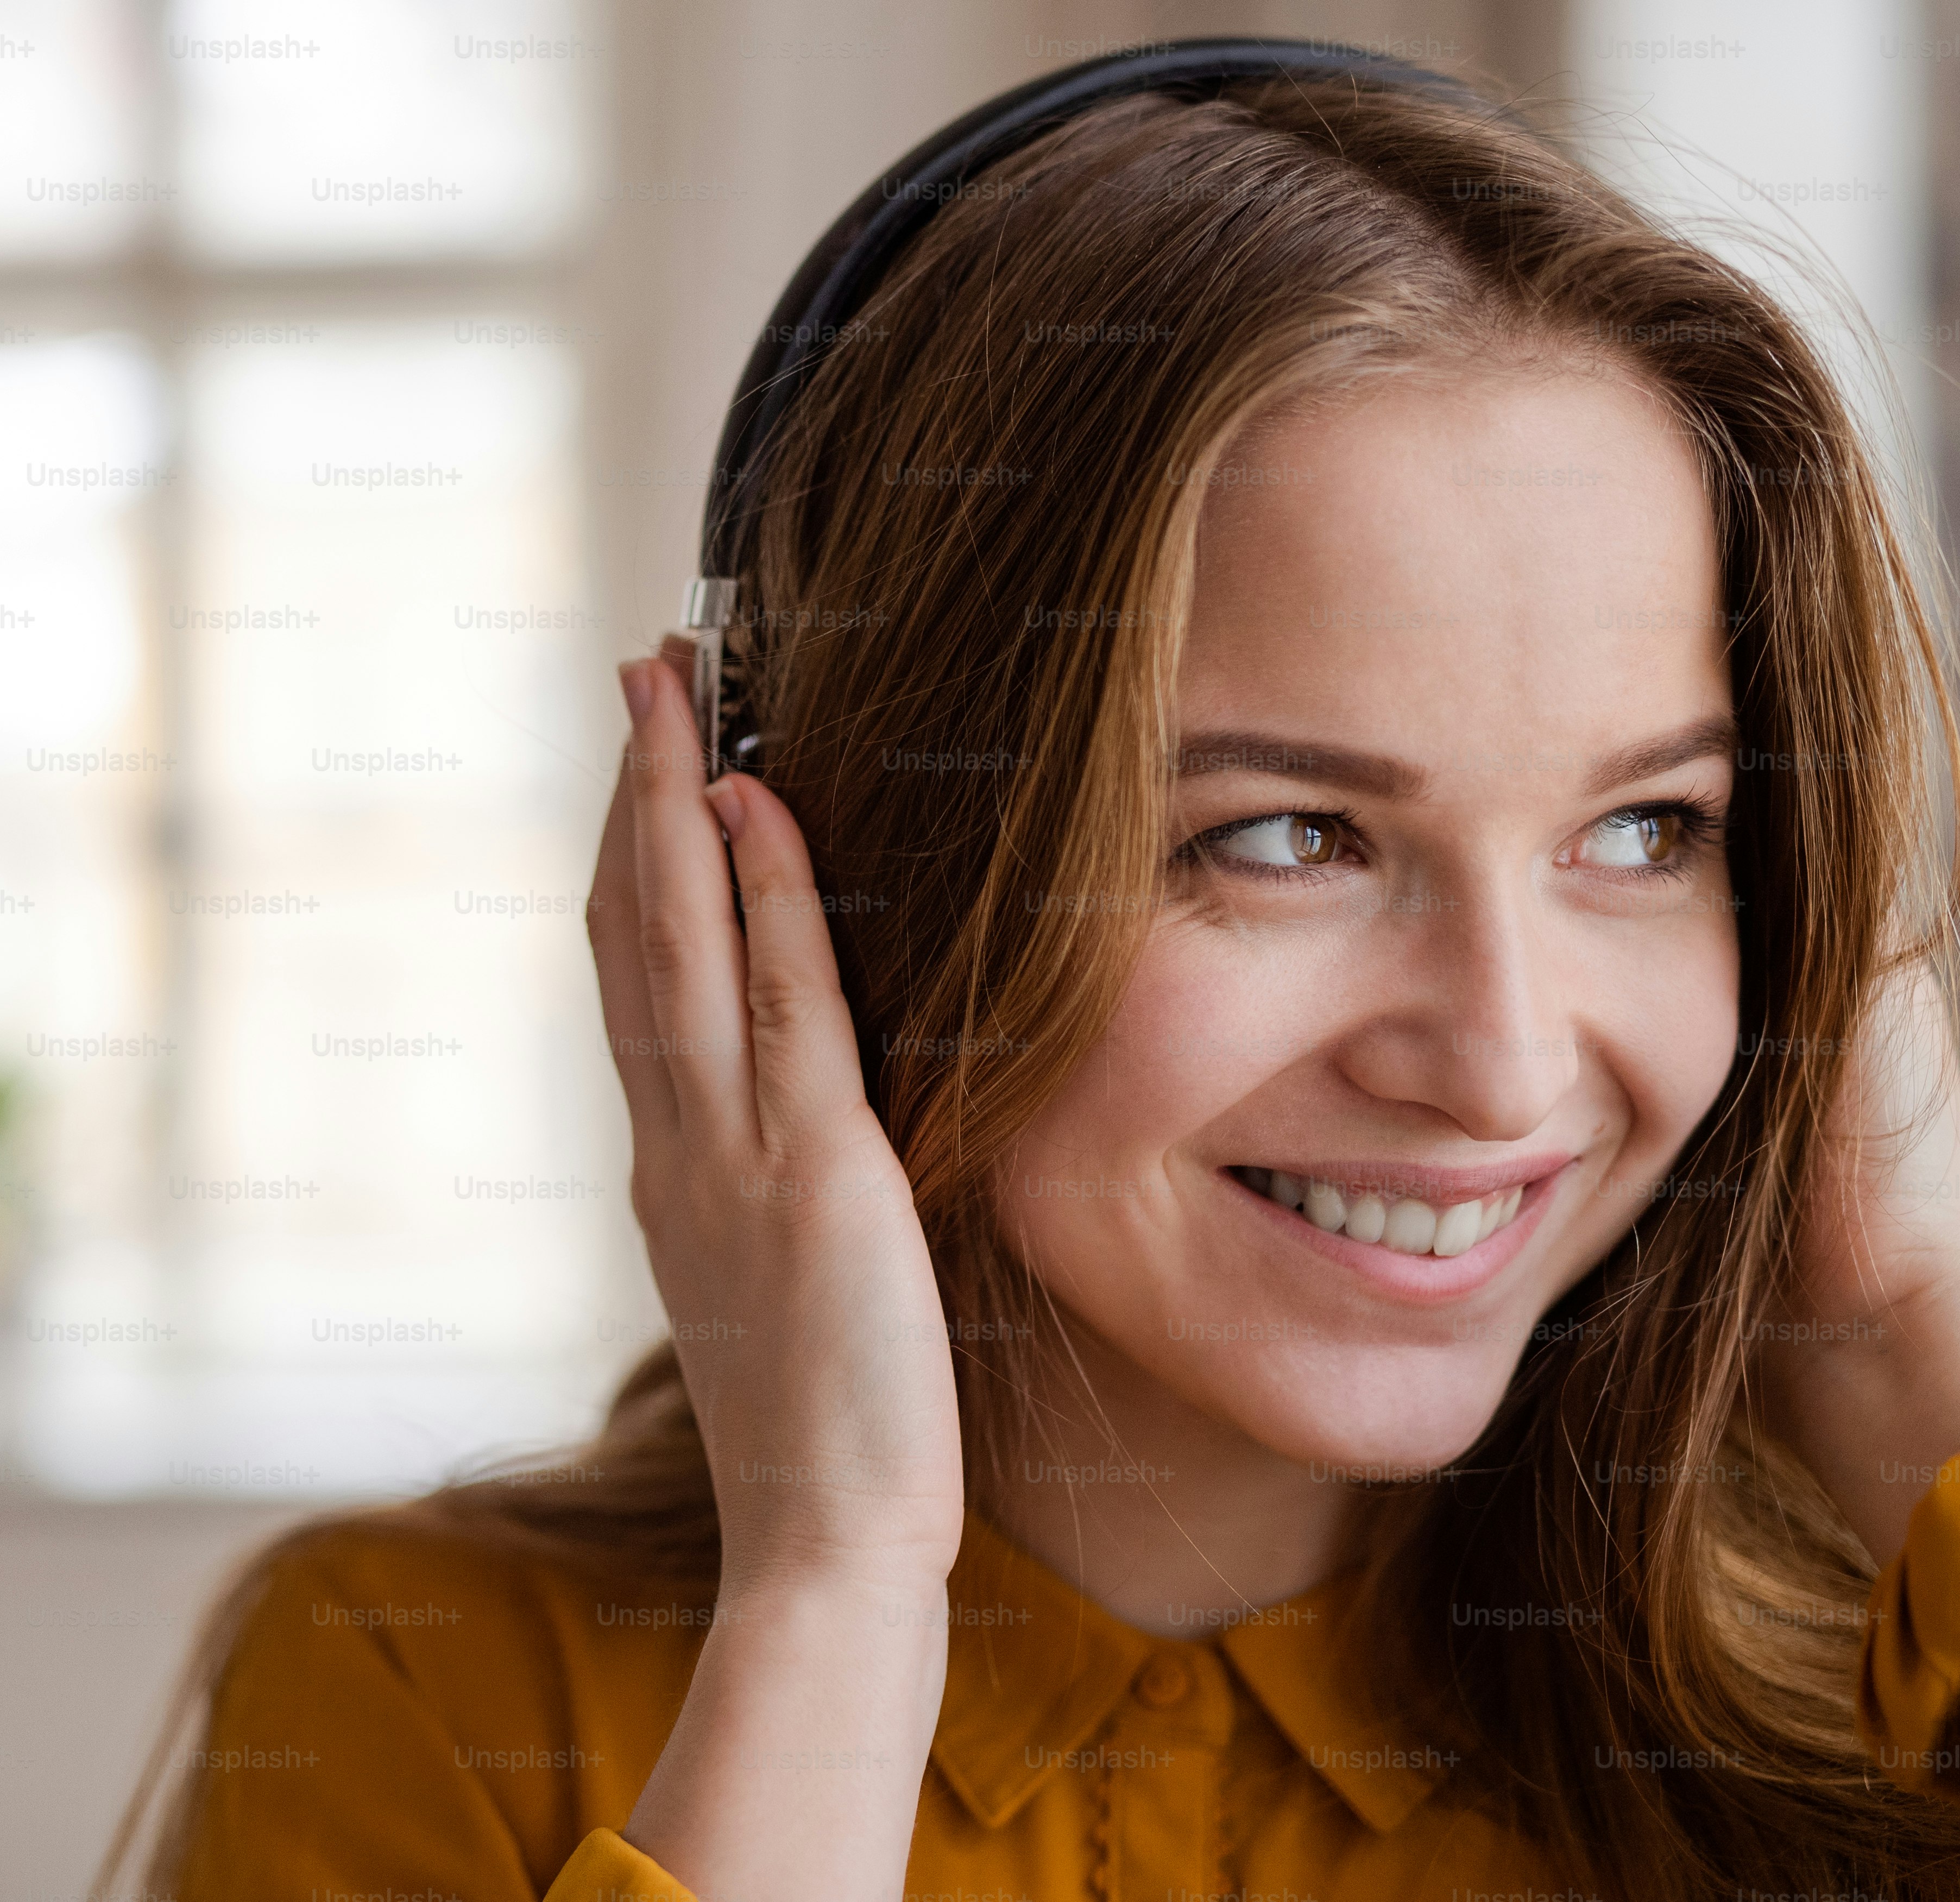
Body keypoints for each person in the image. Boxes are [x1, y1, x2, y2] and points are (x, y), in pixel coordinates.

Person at [102, 61, 1960, 1902]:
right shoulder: (426, 1688)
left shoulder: (1867, 1692)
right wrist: (830, 1602)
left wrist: (1895, 1343)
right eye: (1288, 836)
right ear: (809, 874)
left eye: (1642, 832)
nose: (1496, 1060)